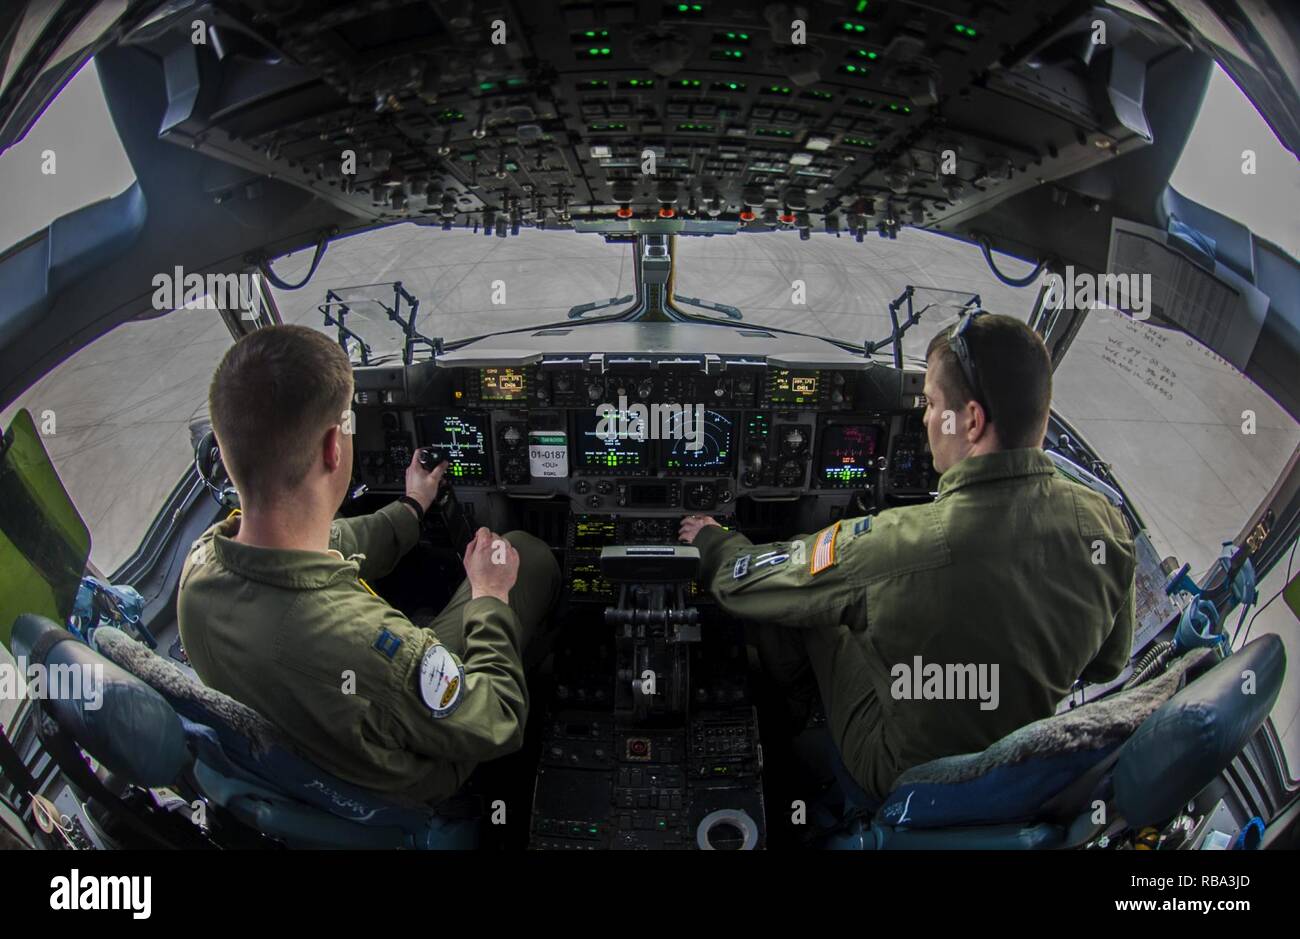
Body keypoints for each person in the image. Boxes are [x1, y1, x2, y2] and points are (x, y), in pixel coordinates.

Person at [680, 312, 1135, 801]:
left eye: (932, 403)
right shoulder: (1104, 523)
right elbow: (1108, 665)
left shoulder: (894, 543)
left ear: (973, 421)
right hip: (1014, 767)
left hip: (902, 770)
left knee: (810, 605)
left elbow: (749, 582)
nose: (923, 418)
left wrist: (711, 540)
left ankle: (793, 722)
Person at [178, 325, 559, 804]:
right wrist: (490, 594)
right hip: (410, 784)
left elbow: (331, 541)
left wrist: (412, 506)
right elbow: (499, 718)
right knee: (526, 553)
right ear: (333, 447)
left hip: (319, 744)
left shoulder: (203, 565)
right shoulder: (376, 651)